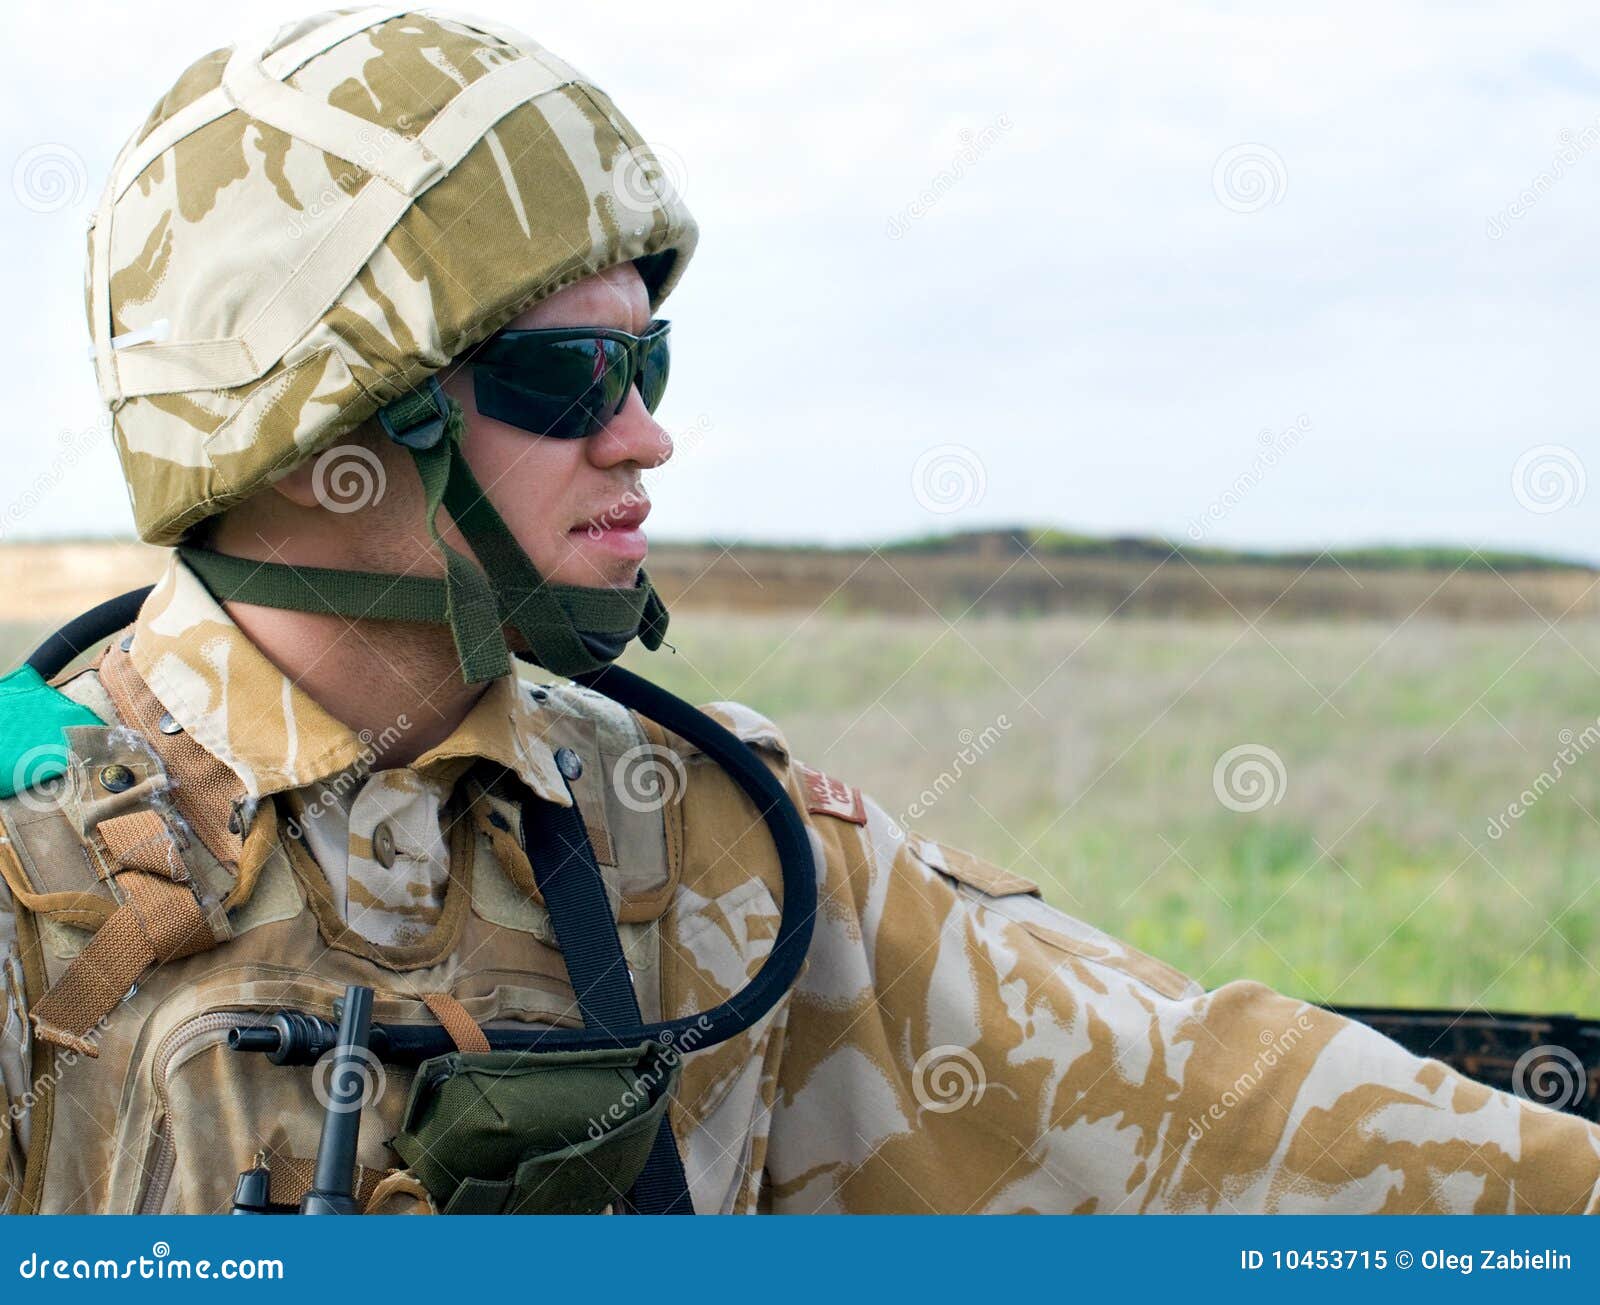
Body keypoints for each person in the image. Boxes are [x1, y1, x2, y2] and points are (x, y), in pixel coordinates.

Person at [3, 7, 1598, 1216]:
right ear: (317, 441)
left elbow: (1215, 1109)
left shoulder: (711, 838)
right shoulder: (31, 877)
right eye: (567, 375)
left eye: (651, 361)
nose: (641, 434)